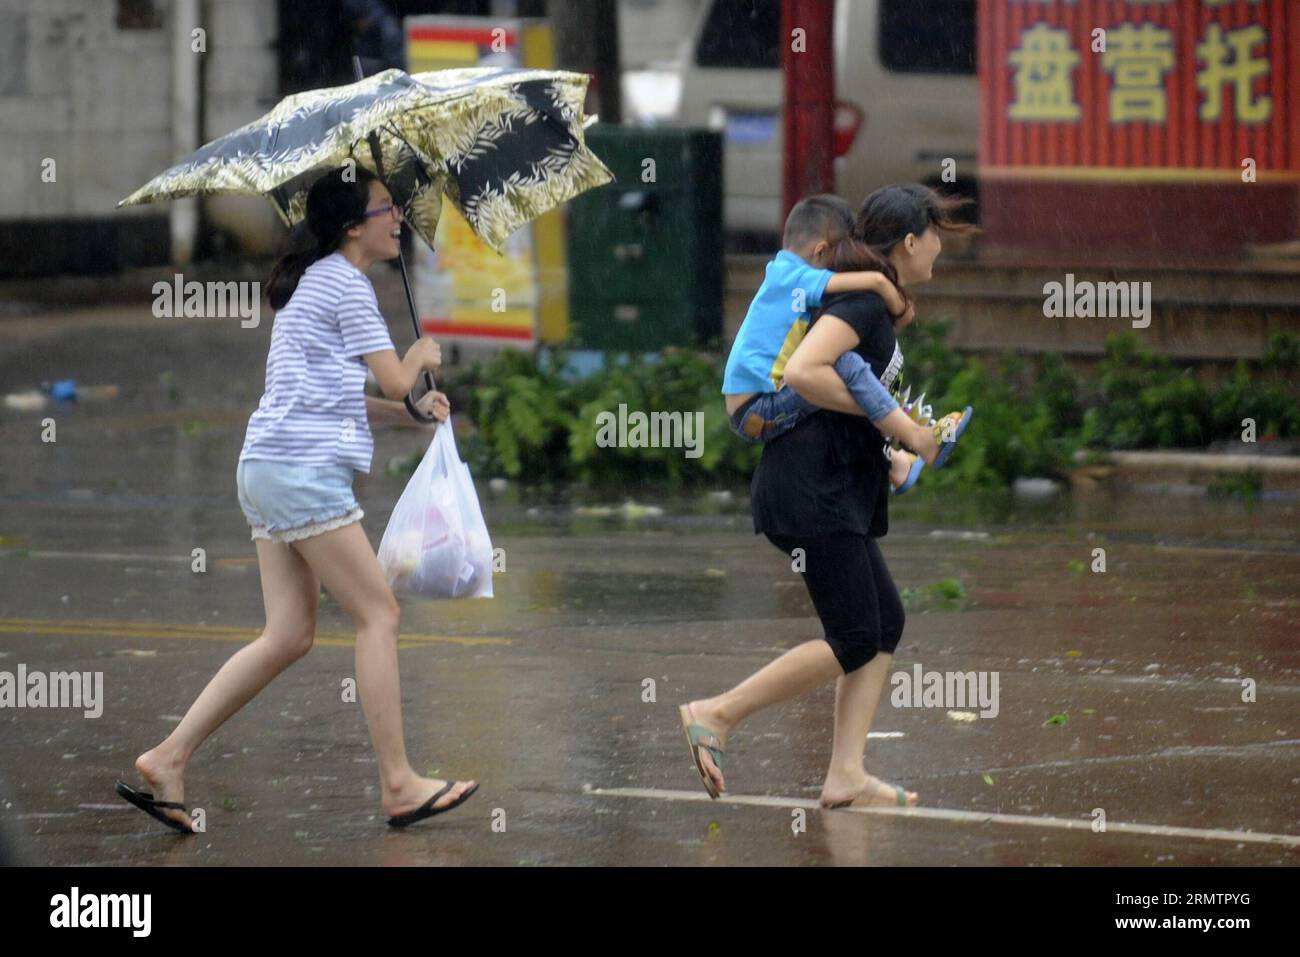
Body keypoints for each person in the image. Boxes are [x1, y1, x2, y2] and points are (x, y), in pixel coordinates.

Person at [115, 166, 478, 832]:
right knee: (380, 615)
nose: (397, 217)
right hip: (300, 473)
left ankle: (167, 756)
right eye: (385, 208)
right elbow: (396, 374)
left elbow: (337, 397)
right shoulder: (347, 282)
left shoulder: (315, 283)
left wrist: (412, 413)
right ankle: (398, 782)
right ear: (351, 227)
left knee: (287, 634)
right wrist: (420, 354)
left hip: (268, 467)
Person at [682, 183, 976, 808]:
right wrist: (903, 430)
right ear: (908, 241)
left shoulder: (870, 308)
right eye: (935, 239)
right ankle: (718, 713)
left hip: (833, 487)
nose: (939, 253)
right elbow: (807, 375)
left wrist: (895, 450)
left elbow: (851, 401)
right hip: (810, 491)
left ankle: (846, 774)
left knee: (883, 623)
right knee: (852, 636)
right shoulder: (862, 306)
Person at [722, 194, 968, 494]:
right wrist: (894, 299)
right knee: (847, 367)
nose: (842, 265)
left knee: (850, 384)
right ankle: (916, 437)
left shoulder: (783, 275)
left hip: (752, 407)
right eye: (837, 257)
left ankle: (896, 461)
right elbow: (871, 283)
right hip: (758, 409)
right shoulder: (796, 277)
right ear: (820, 251)